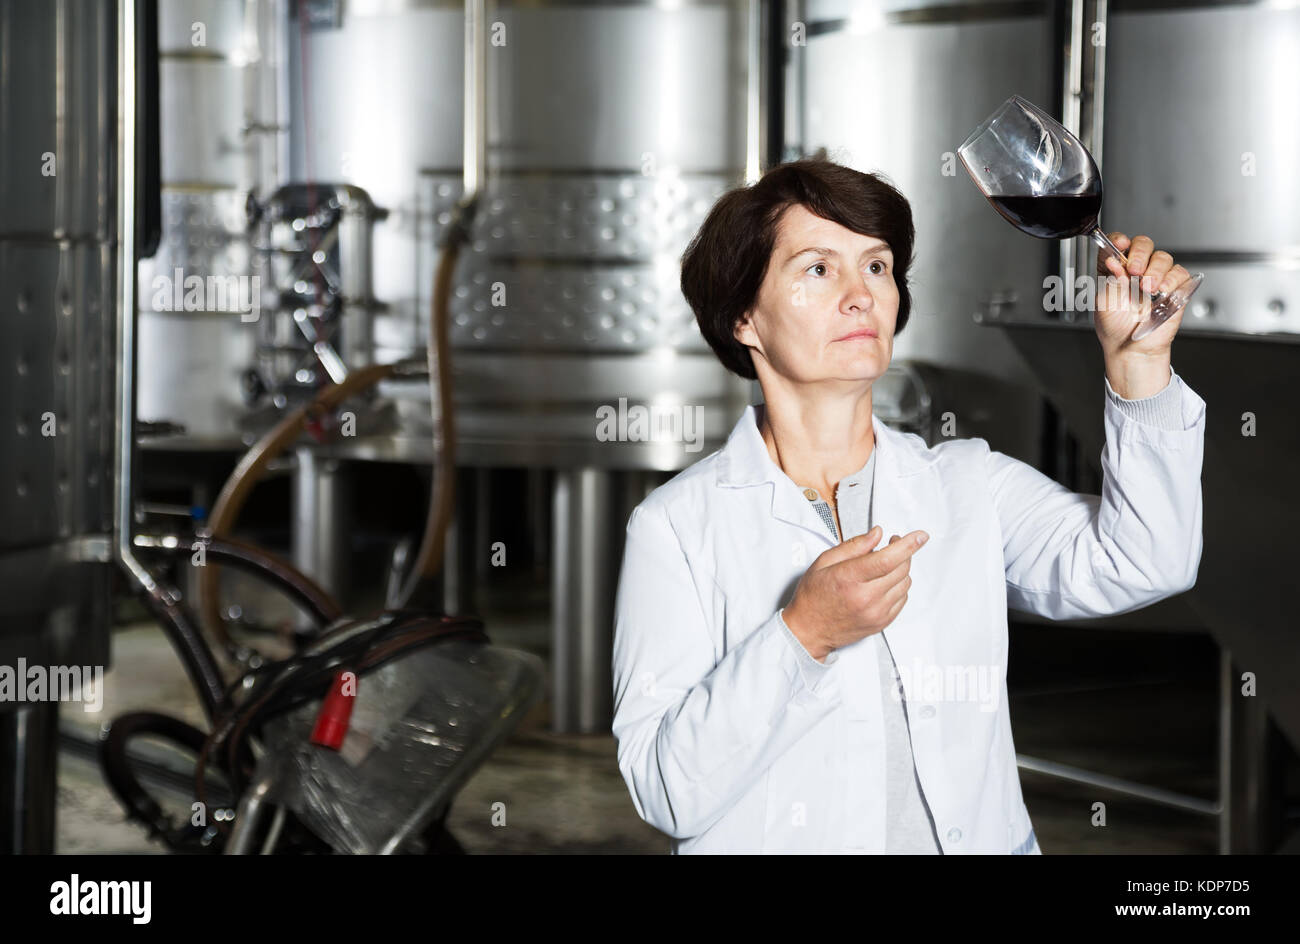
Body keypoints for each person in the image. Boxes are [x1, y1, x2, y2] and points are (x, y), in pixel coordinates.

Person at [610, 157, 1206, 854]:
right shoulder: (677, 528)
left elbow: (1147, 562)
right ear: (744, 317)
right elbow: (663, 790)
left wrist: (1139, 370)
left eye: (877, 266)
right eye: (818, 269)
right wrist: (804, 633)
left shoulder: (966, 484)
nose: (861, 294)